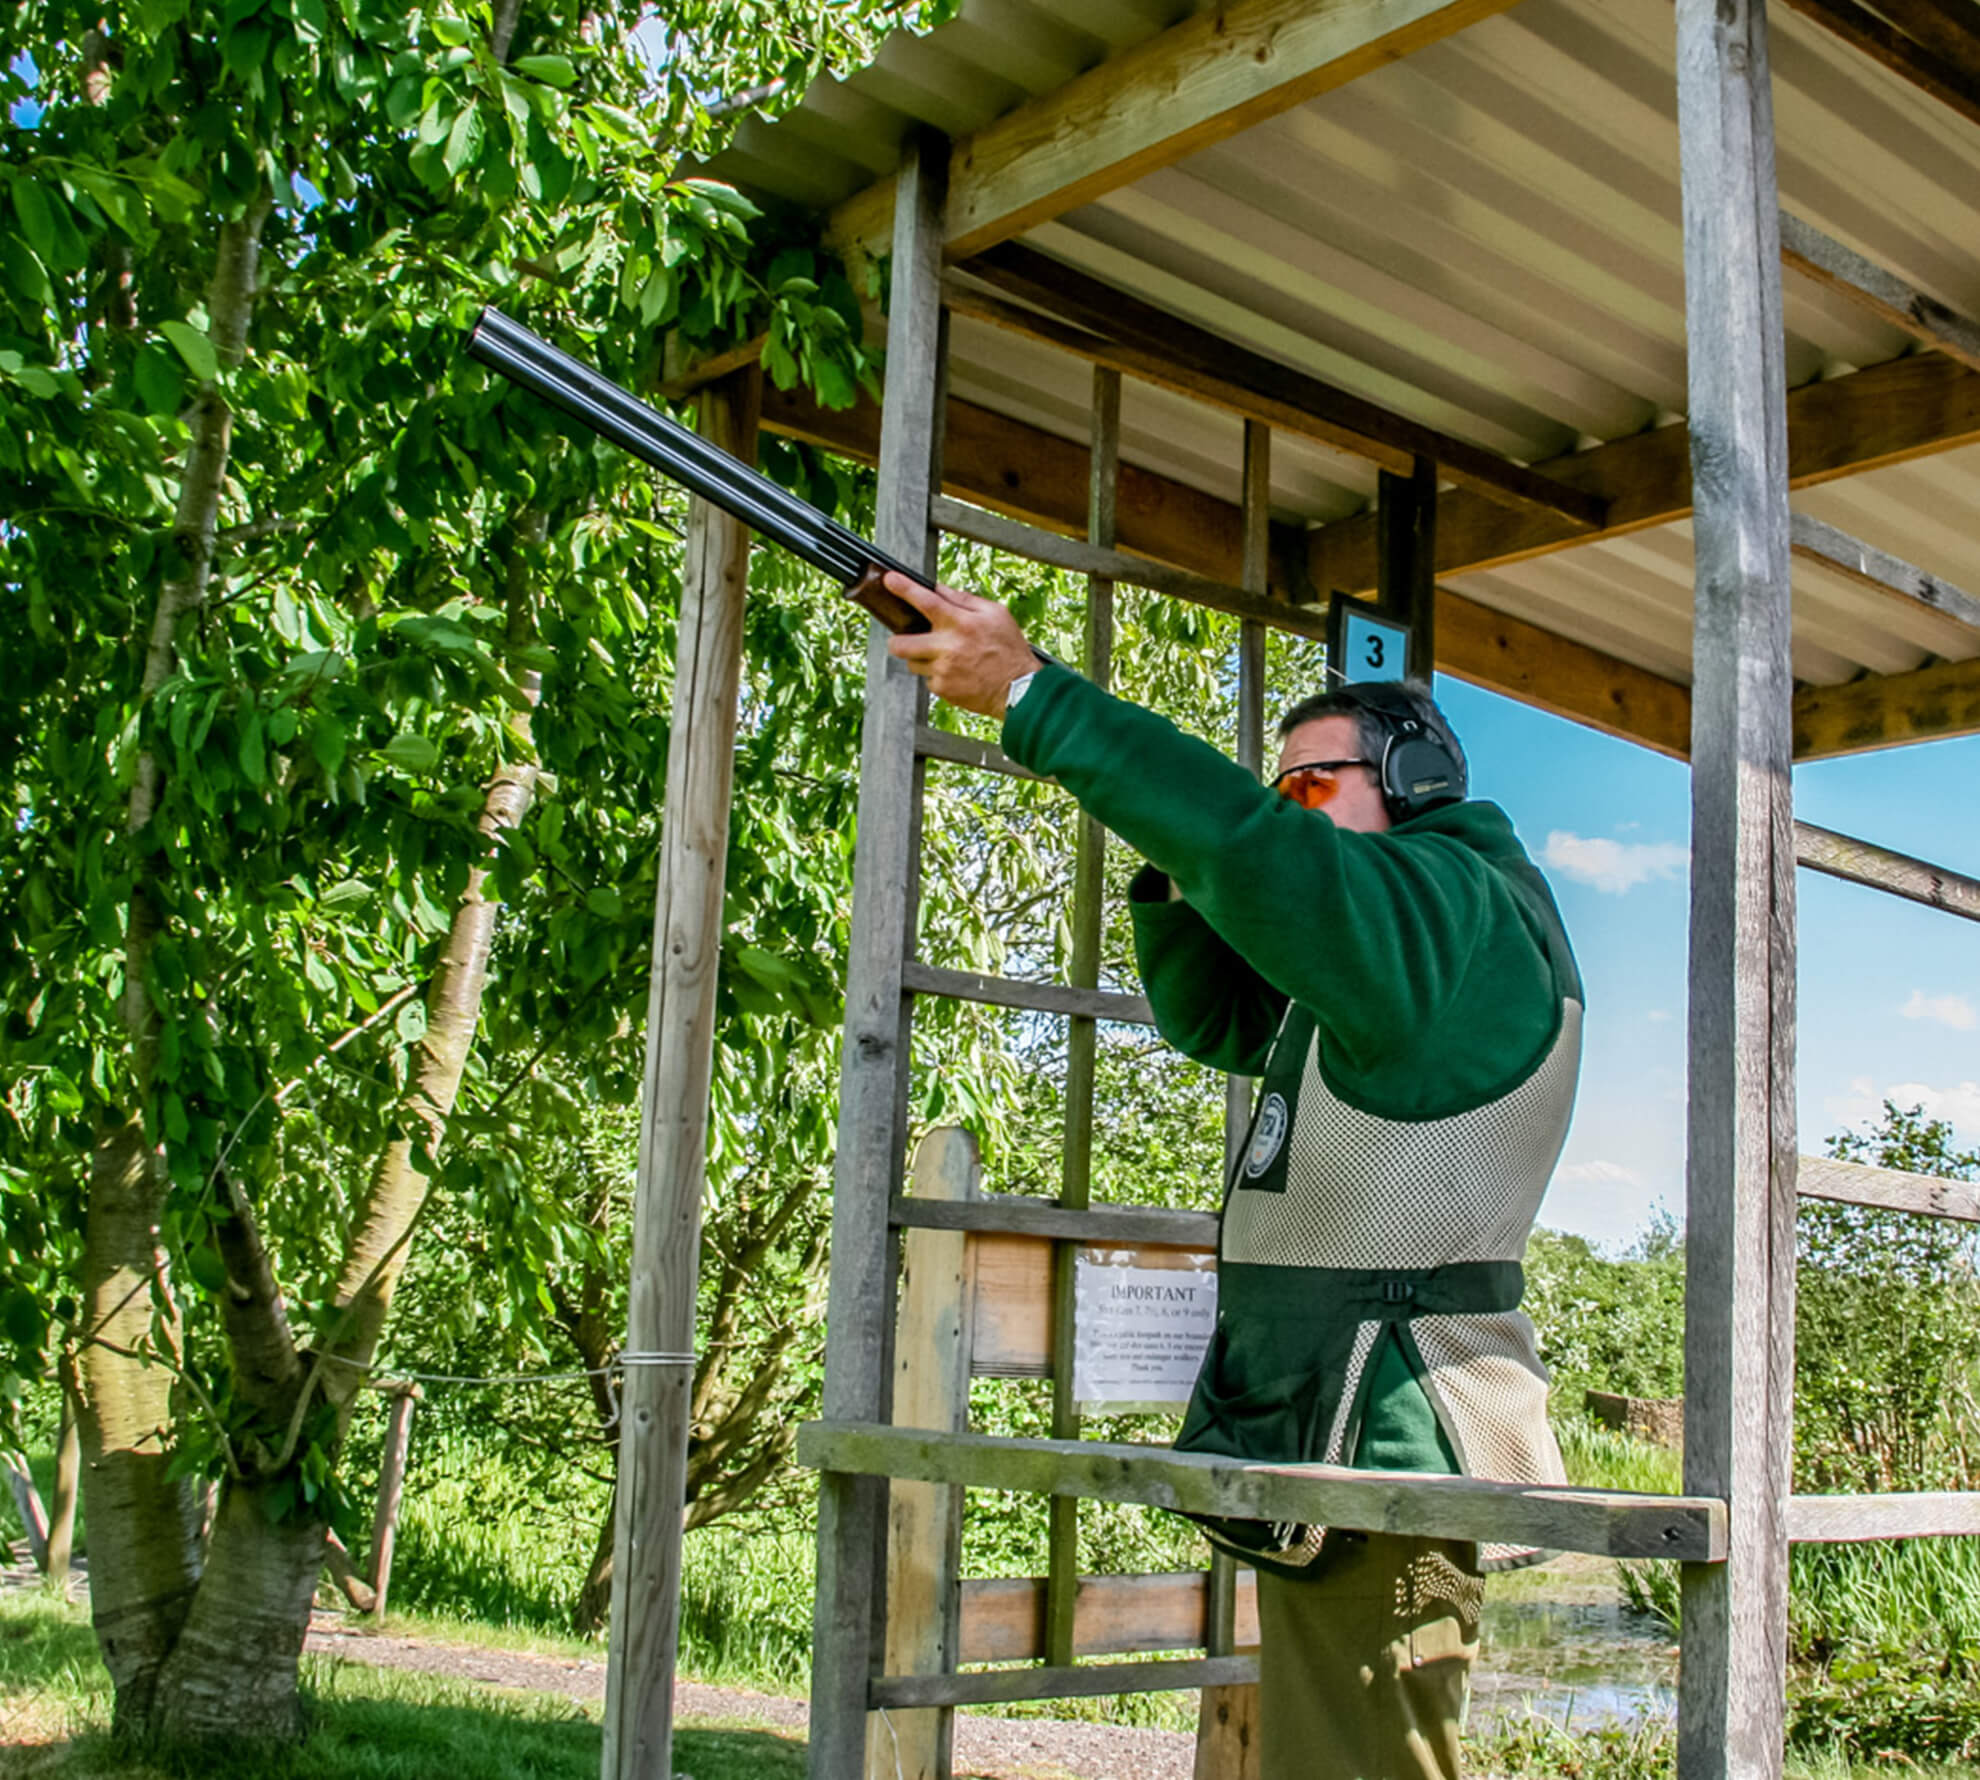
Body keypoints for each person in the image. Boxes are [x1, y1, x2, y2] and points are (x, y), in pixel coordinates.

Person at [879, 570, 1584, 1780]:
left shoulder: (1448, 913)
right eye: (1279, 791)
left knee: (1361, 1768)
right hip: (1342, 1420)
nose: (1287, 812)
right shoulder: (1419, 942)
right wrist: (1186, 853)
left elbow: (1256, 856)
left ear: (1413, 780)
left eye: (1311, 785)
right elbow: (1219, 1012)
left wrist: (1034, 694)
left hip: (1384, 1425)